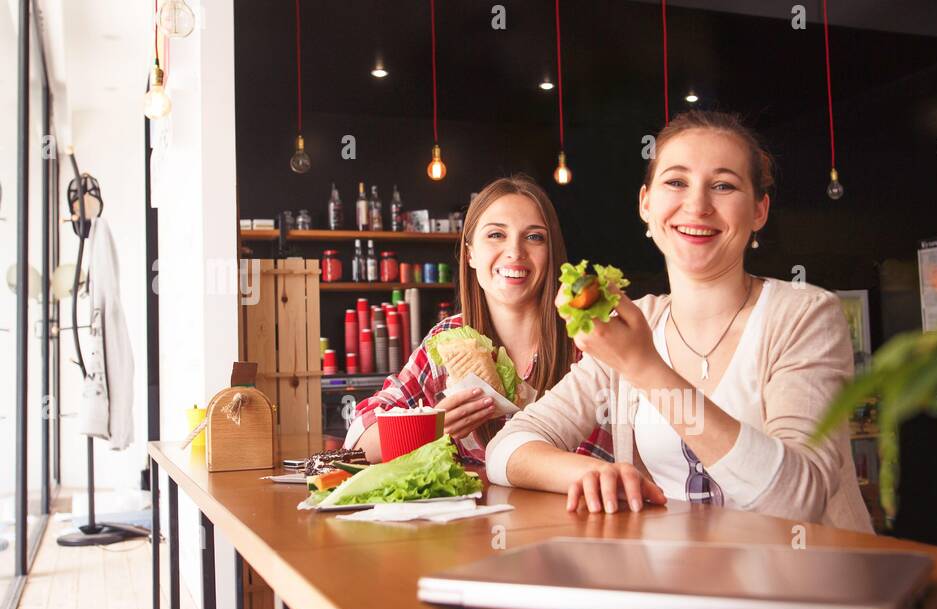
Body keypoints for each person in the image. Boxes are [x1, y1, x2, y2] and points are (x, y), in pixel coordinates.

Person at [483, 111, 873, 533]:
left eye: (723, 185)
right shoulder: (639, 321)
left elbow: (799, 500)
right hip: (680, 587)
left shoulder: (804, 315)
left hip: (805, 587)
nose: (698, 205)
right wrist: (584, 473)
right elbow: (505, 450)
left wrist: (644, 367)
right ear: (646, 204)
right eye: (676, 182)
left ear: (759, 211)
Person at [344, 175, 605, 464]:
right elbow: (360, 444)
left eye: (534, 237)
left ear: (551, 253)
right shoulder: (449, 339)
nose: (515, 252)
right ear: (470, 254)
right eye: (496, 235)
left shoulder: (587, 340)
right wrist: (432, 427)